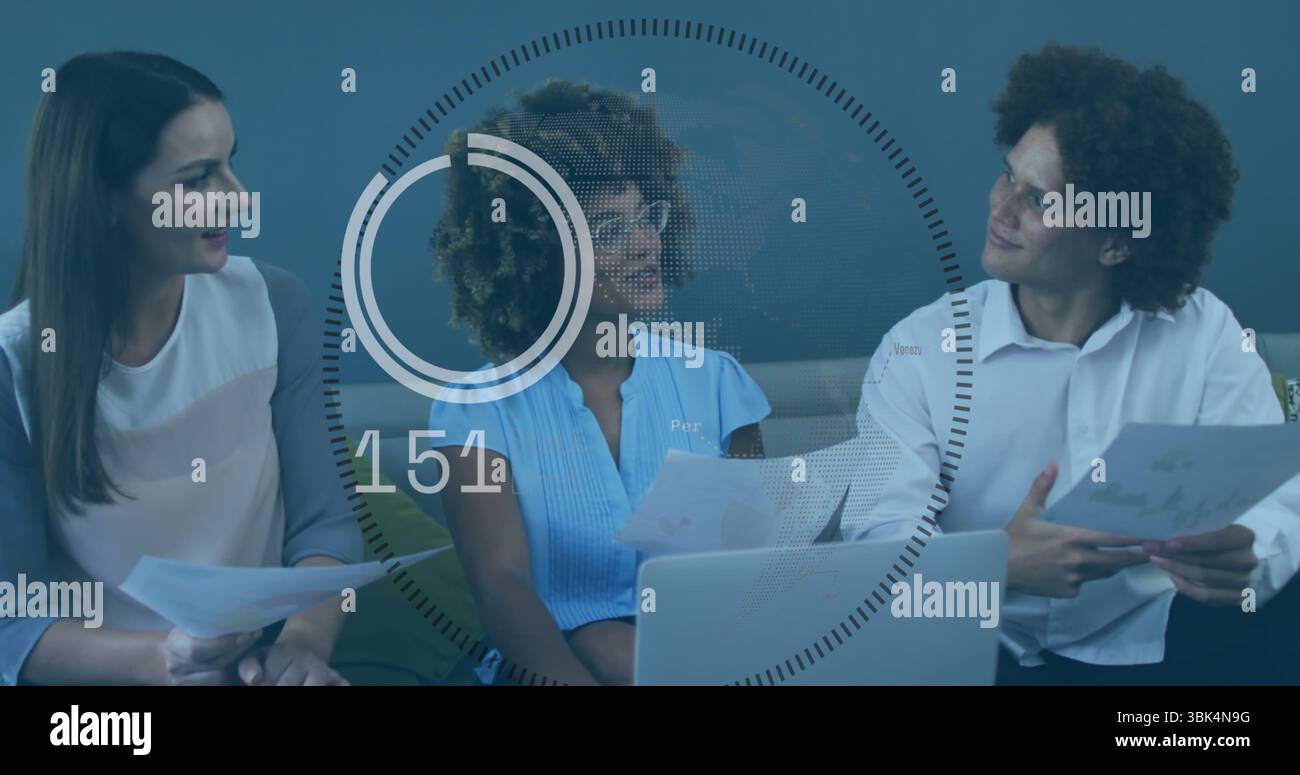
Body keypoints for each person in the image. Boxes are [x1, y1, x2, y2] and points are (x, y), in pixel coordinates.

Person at [849, 43, 1299, 683]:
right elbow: (878, 545)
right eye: (1008, 175)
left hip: (1165, 638)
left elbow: (1274, 498)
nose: (1001, 207)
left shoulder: (1205, 331)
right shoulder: (918, 350)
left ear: (1116, 242)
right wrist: (998, 564)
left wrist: (1249, 555)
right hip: (987, 646)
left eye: (1039, 200)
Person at [0, 52, 361, 685]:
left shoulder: (275, 306)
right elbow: (13, 625)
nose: (238, 198)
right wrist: (165, 659)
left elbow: (324, 524)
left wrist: (302, 646)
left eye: (230, 164)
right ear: (103, 198)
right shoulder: (16, 363)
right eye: (197, 179)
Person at [428, 81, 771, 685]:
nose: (645, 245)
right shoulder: (477, 408)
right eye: (610, 230)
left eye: (647, 218)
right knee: (601, 644)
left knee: (614, 646)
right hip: (540, 668)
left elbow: (750, 567)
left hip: (701, 661)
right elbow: (501, 585)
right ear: (540, 255)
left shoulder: (717, 384)